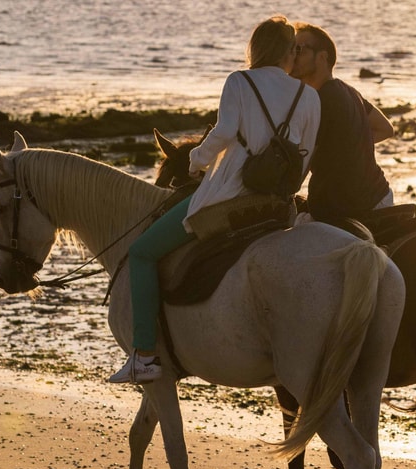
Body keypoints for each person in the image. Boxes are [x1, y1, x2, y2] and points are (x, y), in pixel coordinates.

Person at [109, 15, 321, 384]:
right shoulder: (310, 96)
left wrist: (195, 162)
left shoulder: (239, 81)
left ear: (256, 49)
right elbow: (306, 157)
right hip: (279, 206)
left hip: (229, 201)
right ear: (291, 51)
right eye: (295, 49)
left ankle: (144, 355)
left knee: (142, 252)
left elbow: (222, 134)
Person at [288, 22, 395, 223]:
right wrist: (349, 144)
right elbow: (385, 128)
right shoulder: (349, 91)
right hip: (381, 197)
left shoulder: (318, 101)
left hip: (349, 209)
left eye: (299, 50)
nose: (292, 57)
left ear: (322, 57)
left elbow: (300, 167)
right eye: (291, 50)